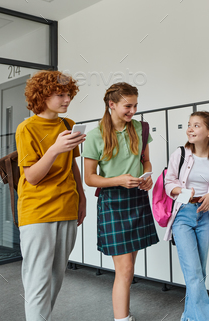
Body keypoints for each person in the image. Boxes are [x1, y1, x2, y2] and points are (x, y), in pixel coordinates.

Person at [82, 82, 158, 321]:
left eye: (135, 105)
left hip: (136, 197)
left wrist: (147, 177)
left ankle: (124, 315)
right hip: (113, 203)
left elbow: (146, 162)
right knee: (124, 270)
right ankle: (122, 319)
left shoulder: (140, 128)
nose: (133, 111)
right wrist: (118, 180)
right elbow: (90, 178)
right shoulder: (95, 136)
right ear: (111, 104)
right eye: (128, 106)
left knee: (128, 270)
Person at [15, 70, 86, 321]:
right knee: (37, 279)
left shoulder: (67, 125)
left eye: (68, 94)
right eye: (60, 95)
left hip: (67, 206)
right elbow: (32, 176)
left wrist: (82, 198)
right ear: (42, 96)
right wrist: (55, 149)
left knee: (56, 277)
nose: (67, 99)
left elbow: (73, 165)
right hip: (38, 211)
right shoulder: (27, 129)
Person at [163, 111, 209, 321]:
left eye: (197, 125)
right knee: (193, 272)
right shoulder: (180, 154)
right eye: (189, 125)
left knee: (199, 273)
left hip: (205, 216)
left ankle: (189, 317)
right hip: (183, 214)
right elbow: (168, 182)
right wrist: (182, 192)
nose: (190, 129)